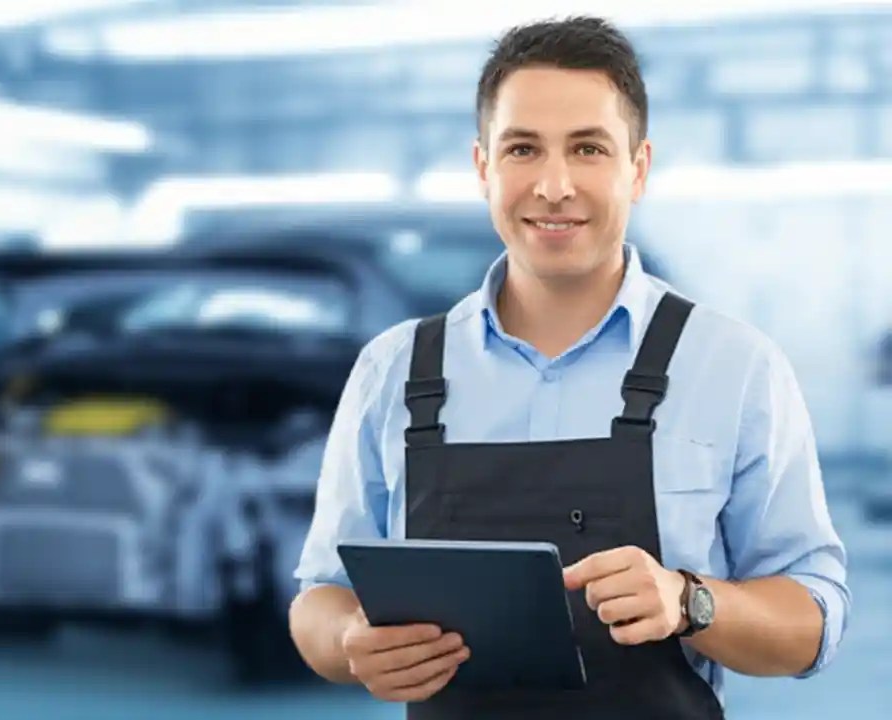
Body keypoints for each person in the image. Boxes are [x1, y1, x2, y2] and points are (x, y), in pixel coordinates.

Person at [288, 15, 850, 719]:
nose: (554, 186)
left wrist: (690, 600)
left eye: (588, 148)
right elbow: (318, 595)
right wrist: (347, 638)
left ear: (637, 168)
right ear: (484, 167)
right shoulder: (393, 371)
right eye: (524, 149)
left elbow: (813, 619)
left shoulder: (736, 367)